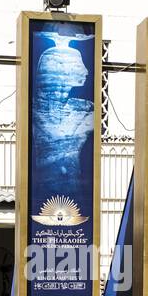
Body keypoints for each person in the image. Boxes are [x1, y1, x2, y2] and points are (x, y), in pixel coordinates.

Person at [31, 32, 94, 191]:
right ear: (61, 69)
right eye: (78, 65)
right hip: (44, 190)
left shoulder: (86, 110)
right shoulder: (35, 111)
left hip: (74, 189)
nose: (85, 71)